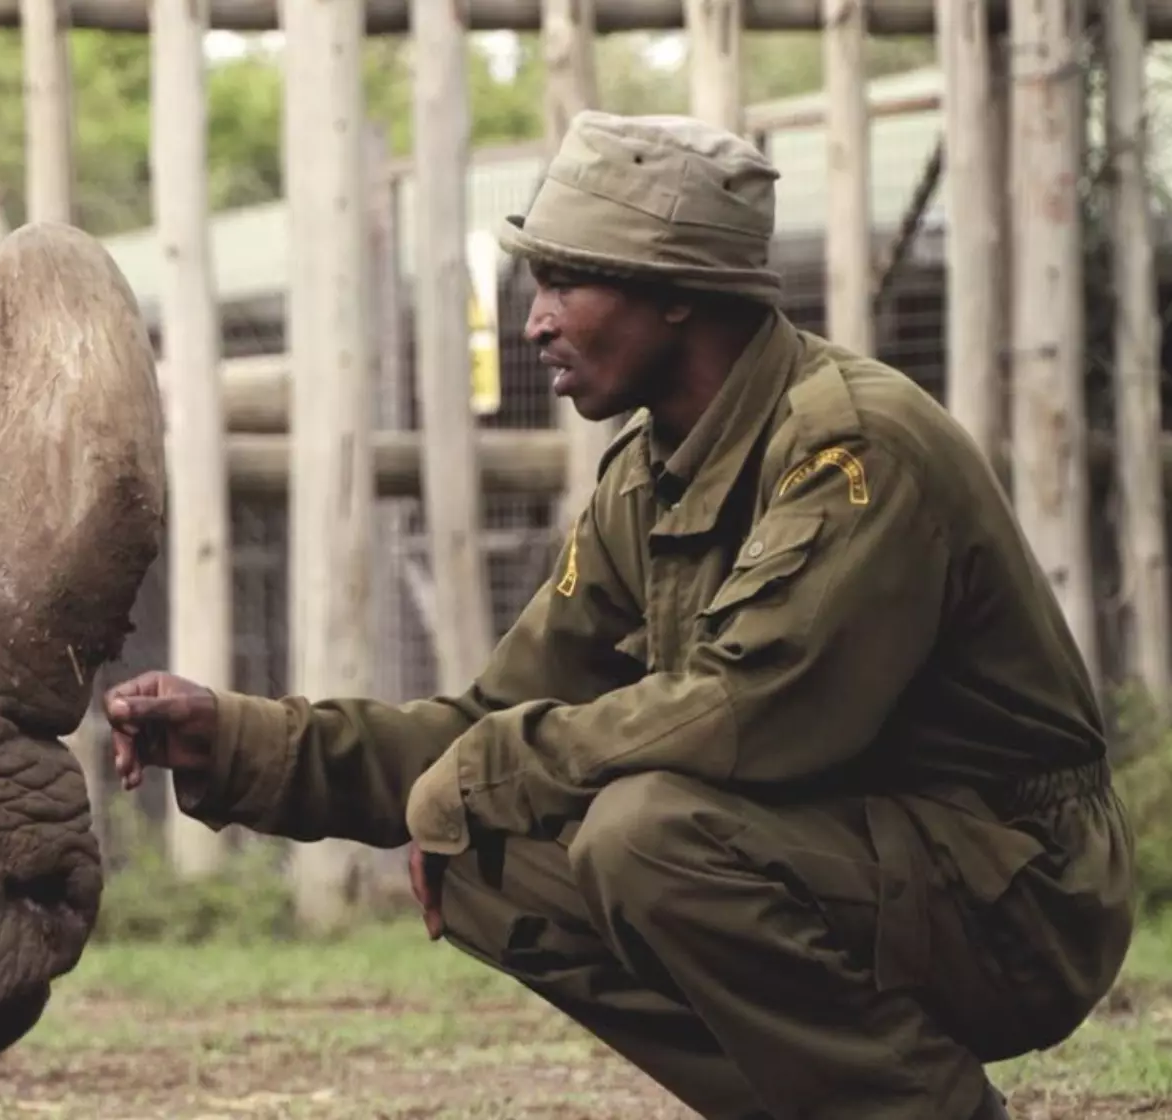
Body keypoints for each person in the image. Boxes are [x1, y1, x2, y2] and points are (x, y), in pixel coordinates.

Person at [102, 110, 1136, 1120]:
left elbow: (752, 717)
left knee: (642, 836)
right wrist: (239, 740)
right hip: (860, 862)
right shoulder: (650, 478)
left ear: (676, 292)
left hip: (1020, 891)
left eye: (562, 281)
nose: (534, 320)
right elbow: (493, 719)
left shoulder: (854, 448)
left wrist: (487, 768)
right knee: (484, 861)